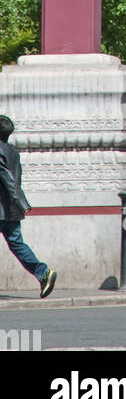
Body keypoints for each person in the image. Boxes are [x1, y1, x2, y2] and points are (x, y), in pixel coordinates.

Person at [0, 114, 57, 298]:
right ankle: (43, 273)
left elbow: (7, 178)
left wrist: (21, 201)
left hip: (4, 207)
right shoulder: (13, 151)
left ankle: (43, 273)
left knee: (16, 244)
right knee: (17, 244)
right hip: (11, 209)